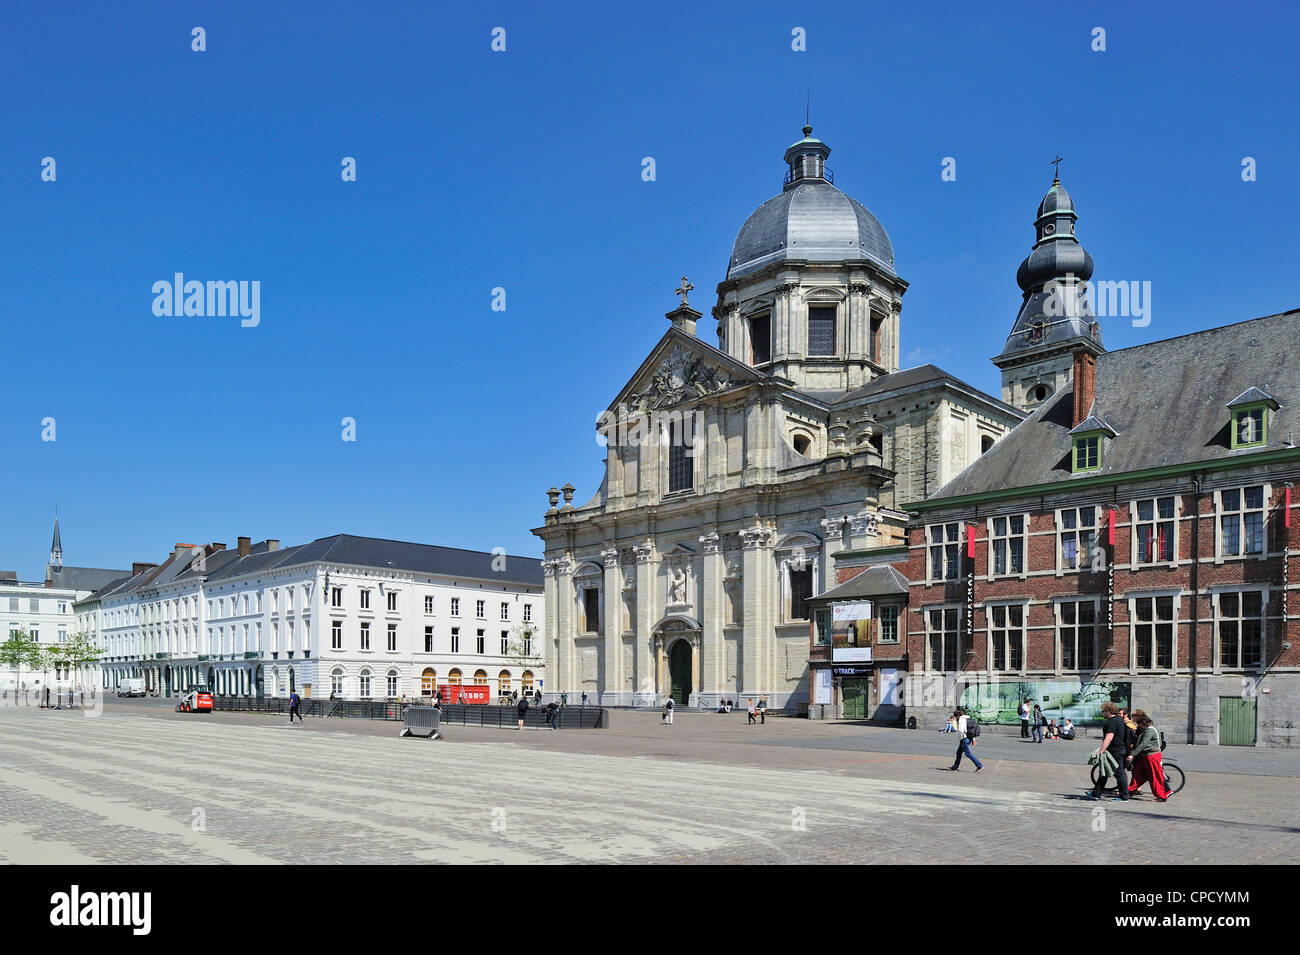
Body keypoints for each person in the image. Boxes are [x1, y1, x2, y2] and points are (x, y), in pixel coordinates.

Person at [1087, 702, 1130, 800]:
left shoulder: (1111, 722)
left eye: (1103, 711)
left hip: (1115, 751)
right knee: (1104, 771)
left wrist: (1101, 751)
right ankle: (1096, 792)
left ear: (1108, 711)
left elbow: (1109, 737)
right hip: (1119, 749)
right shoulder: (1120, 720)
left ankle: (1124, 796)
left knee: (1119, 773)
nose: (1102, 713)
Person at [1126, 710, 1172, 801]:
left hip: (1152, 756)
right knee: (1137, 774)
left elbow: (1143, 744)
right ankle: (1129, 792)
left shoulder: (1149, 731)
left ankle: (1161, 796)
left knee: (1155, 776)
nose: (1132, 719)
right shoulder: (1145, 730)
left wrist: (1133, 755)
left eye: (1133, 716)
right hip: (1145, 756)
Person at [949, 708, 983, 772]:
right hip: (968, 738)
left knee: (968, 754)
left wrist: (961, 738)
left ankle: (979, 765)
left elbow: (961, 730)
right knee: (959, 753)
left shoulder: (961, 720)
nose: (956, 718)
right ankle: (955, 767)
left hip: (964, 739)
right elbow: (970, 730)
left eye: (956, 716)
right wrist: (973, 739)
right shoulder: (968, 719)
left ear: (958, 716)